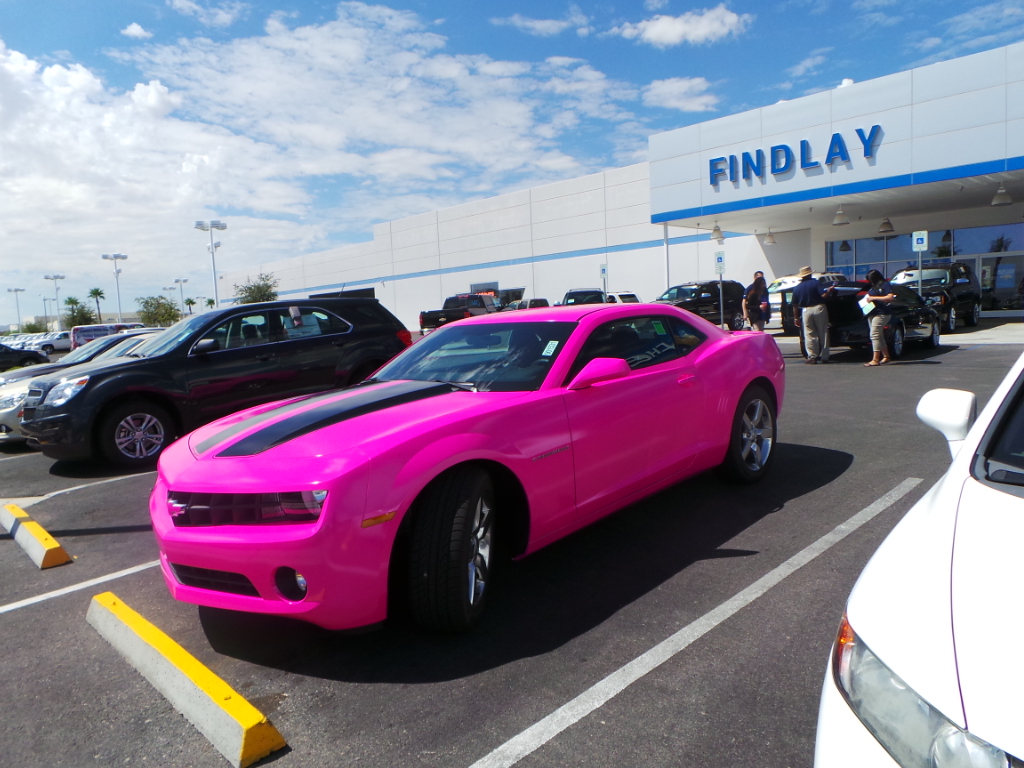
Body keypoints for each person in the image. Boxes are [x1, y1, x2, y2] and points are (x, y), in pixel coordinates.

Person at [792, 266, 835, 364]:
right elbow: (823, 295)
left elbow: (794, 305)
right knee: (823, 332)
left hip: (806, 310)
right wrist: (829, 291)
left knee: (810, 334)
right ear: (810, 274)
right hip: (818, 307)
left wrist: (795, 318)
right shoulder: (816, 283)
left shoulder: (797, 288)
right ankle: (824, 356)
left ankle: (812, 356)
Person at [863, 269, 895, 367]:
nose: (870, 281)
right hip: (872, 312)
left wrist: (874, 298)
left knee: (874, 334)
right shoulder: (873, 287)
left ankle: (875, 359)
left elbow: (890, 298)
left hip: (882, 313)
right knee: (879, 335)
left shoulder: (885, 285)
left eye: (871, 279)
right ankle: (886, 356)